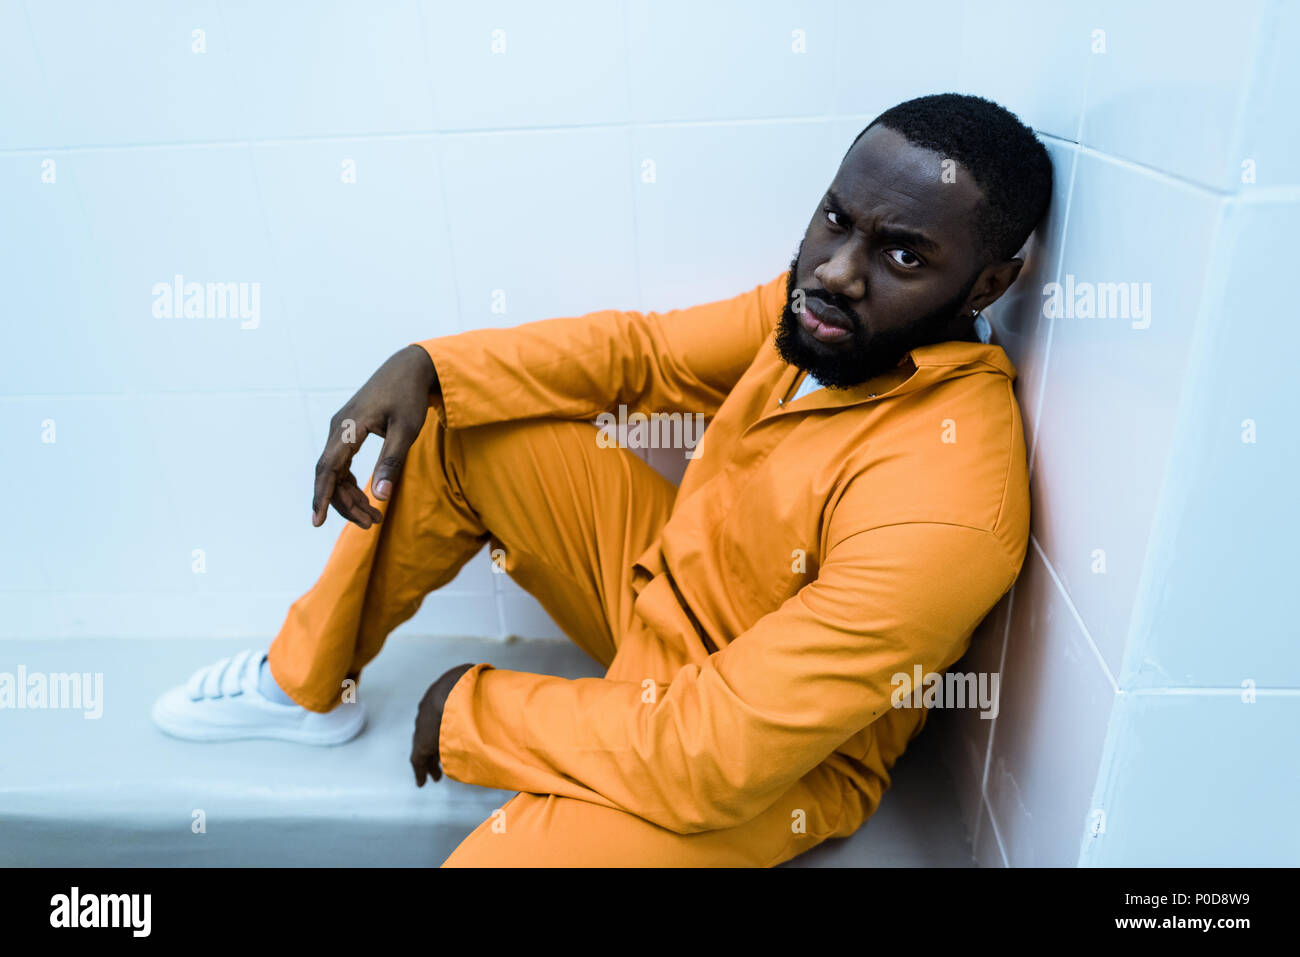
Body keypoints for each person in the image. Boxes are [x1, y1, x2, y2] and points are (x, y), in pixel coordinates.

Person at [151, 92, 1053, 866]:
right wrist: (425, 363)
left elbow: (717, 751)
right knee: (459, 426)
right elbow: (643, 355)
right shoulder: (824, 316)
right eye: (835, 219)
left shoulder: (948, 501)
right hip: (665, 601)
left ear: (988, 285)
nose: (835, 270)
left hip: (768, 760)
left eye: (901, 256)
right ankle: (304, 686)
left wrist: (479, 710)